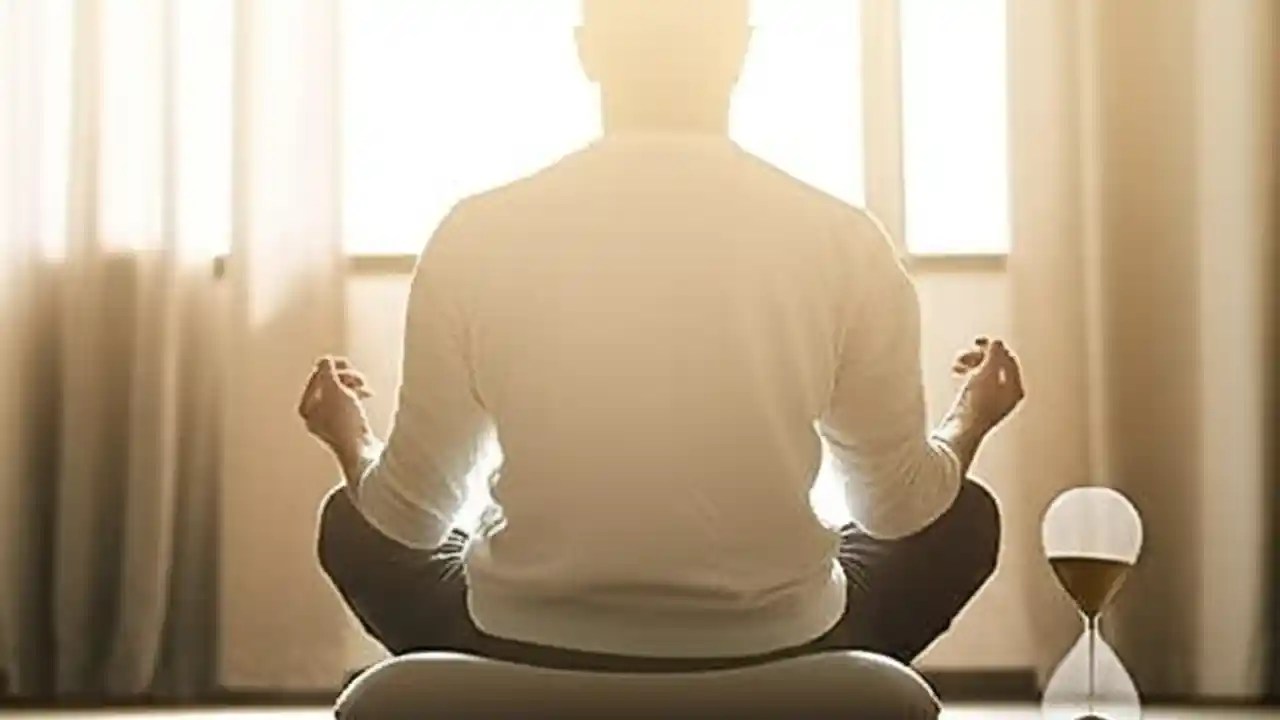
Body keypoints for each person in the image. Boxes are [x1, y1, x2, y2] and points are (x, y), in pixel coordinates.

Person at [299, 0, 1024, 673]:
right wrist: (971, 417)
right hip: (776, 646)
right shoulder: (844, 238)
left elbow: (411, 518)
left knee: (350, 523)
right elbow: (897, 508)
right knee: (963, 519)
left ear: (587, 52)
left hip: (524, 641)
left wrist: (348, 435)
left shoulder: (475, 231)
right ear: (740, 51)